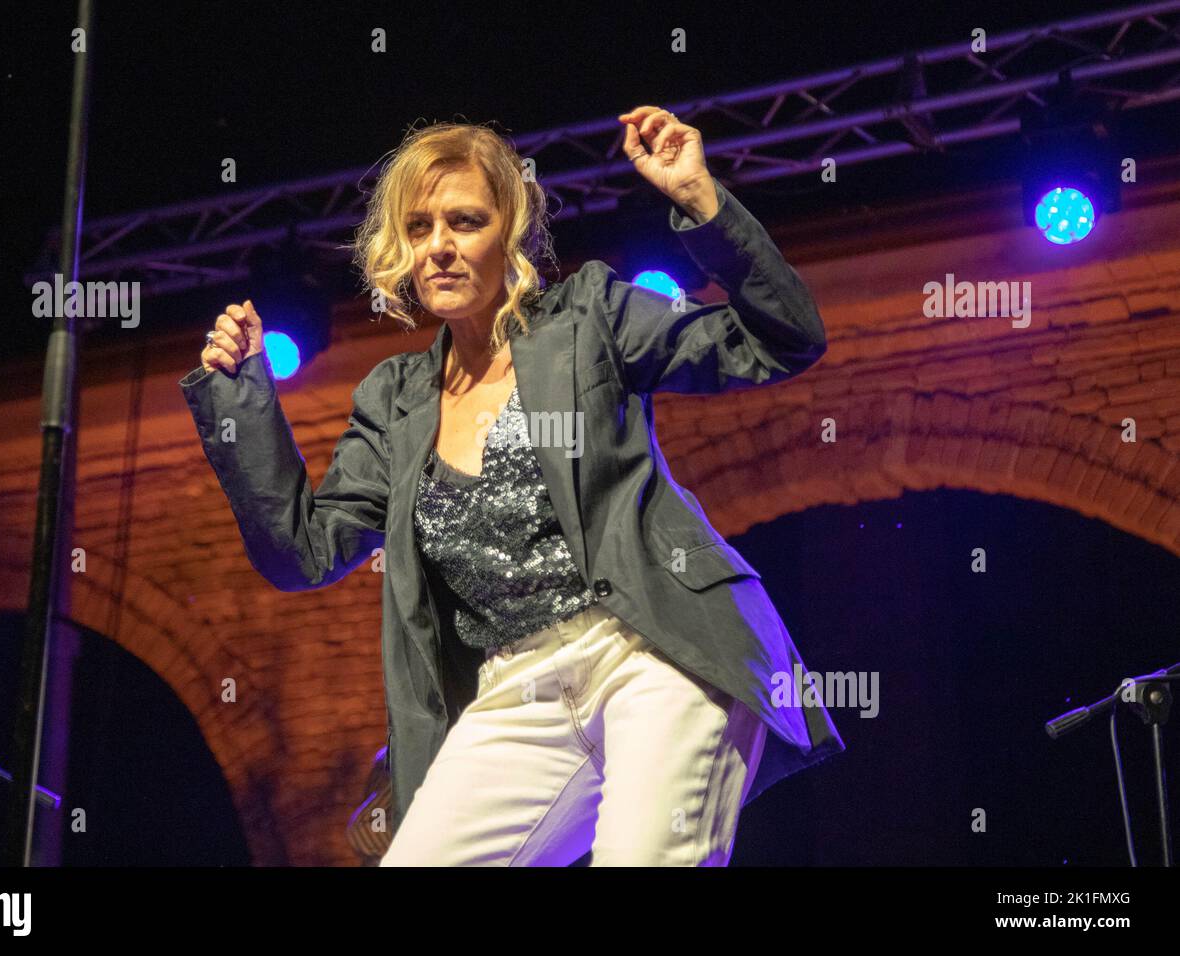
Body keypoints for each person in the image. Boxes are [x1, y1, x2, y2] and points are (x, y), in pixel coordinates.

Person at [181, 108, 845, 866]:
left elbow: (785, 337)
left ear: (512, 233)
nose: (439, 247)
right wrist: (240, 397)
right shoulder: (394, 400)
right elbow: (302, 551)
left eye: (464, 221)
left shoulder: (588, 315)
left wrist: (699, 200)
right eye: (420, 227)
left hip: (659, 651)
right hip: (517, 689)